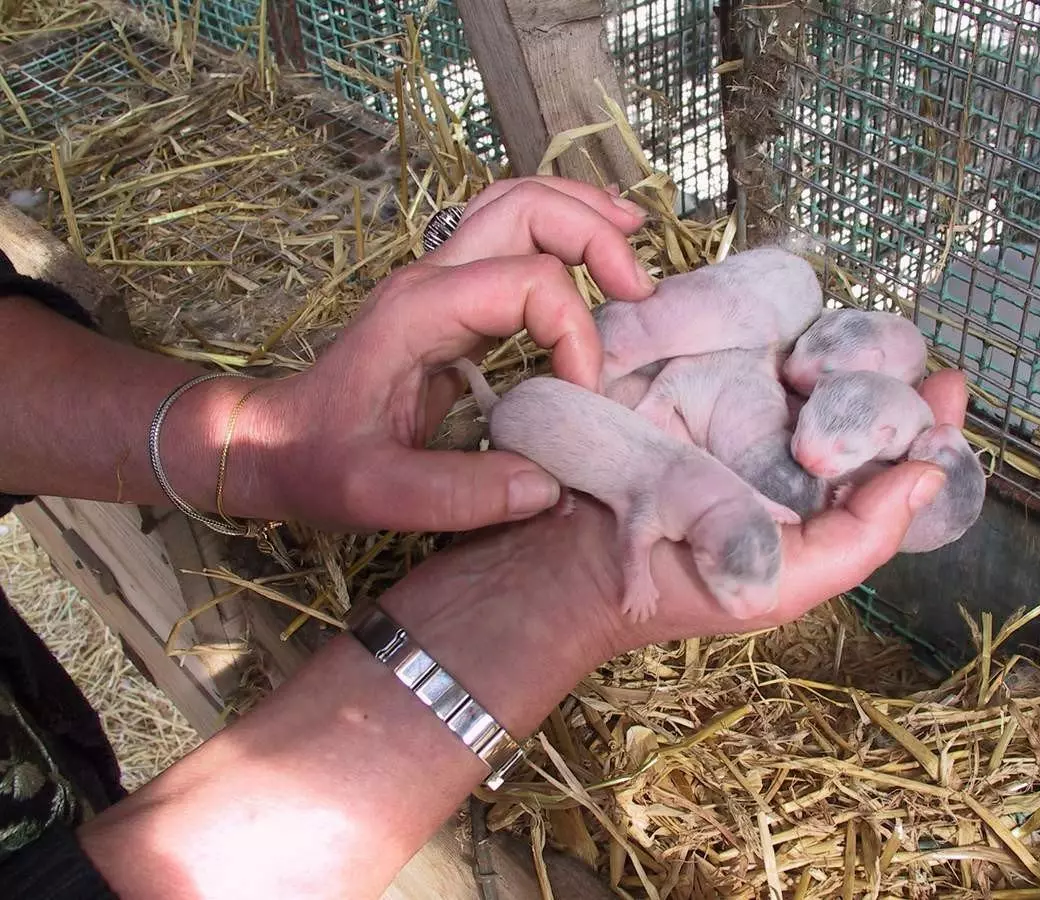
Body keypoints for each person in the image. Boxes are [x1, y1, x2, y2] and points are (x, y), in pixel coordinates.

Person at [0, 175, 966, 899]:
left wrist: (257, 448)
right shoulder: (696, 465)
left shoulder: (712, 464)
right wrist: (571, 589)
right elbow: (655, 487)